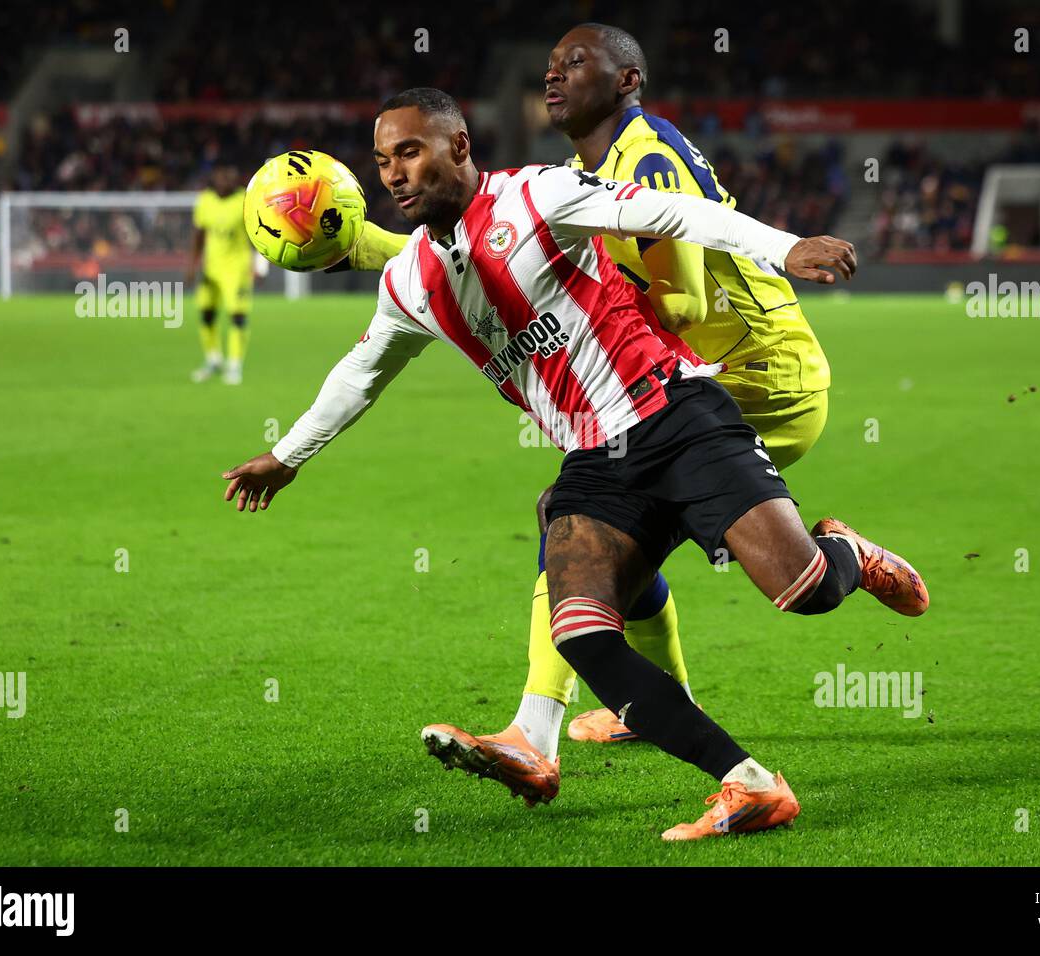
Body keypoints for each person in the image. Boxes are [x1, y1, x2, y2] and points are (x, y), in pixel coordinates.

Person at [221, 88, 927, 840]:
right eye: (382, 160)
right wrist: (286, 456)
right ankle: (746, 782)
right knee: (582, 633)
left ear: (459, 146)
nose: (393, 173)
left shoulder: (539, 195)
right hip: (596, 462)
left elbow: (669, 214)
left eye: (410, 151)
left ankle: (845, 552)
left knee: (806, 591)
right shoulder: (409, 283)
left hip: (675, 413)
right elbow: (360, 375)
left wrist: (782, 246)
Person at [424, 24, 840, 786]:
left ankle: (539, 730)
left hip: (757, 372)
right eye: (547, 66)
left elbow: (678, 300)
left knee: (576, 509)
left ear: (627, 79)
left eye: (575, 63)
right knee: (591, 522)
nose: (553, 76)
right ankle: (620, 711)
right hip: (716, 373)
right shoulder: (596, 164)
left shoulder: (645, 156)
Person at [188, 164, 253, 385]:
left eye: (230, 175)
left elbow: (259, 233)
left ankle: (234, 365)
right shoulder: (205, 200)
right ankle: (213, 359)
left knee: (237, 316)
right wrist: (192, 265)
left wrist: (260, 266)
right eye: (221, 175)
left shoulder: (245, 200)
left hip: (237, 269)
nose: (225, 180)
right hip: (211, 268)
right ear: (214, 177)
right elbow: (199, 234)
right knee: (206, 313)